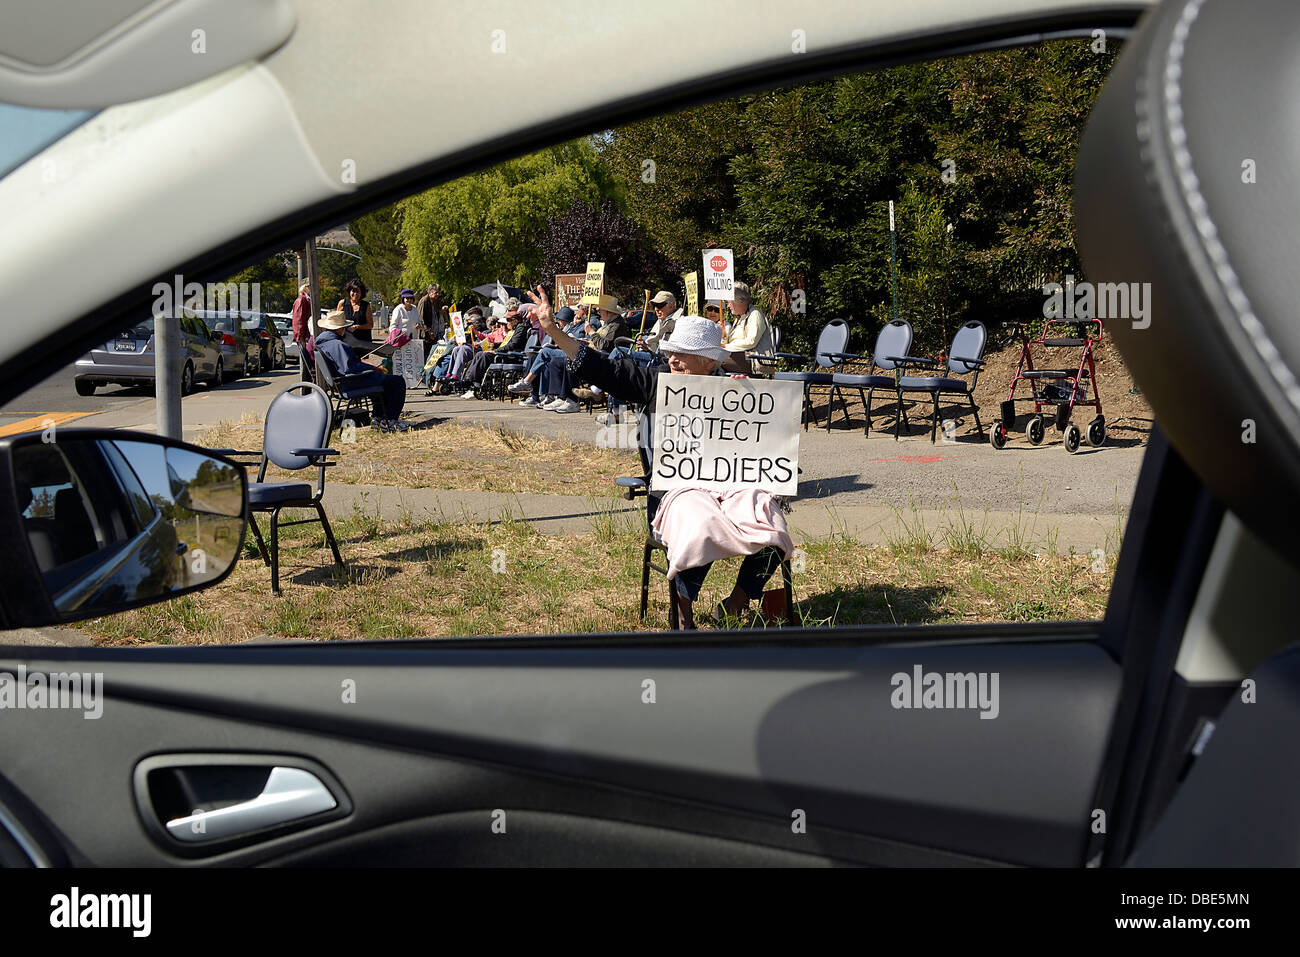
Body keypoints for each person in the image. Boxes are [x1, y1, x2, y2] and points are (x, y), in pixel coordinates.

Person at [529, 285, 791, 628]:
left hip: (730, 487)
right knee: (699, 519)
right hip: (676, 492)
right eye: (671, 352)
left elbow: (766, 444)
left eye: (682, 353)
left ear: (710, 361)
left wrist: (749, 397)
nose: (672, 358)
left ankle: (736, 601)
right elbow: (600, 368)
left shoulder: (735, 388)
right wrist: (552, 329)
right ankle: (682, 610)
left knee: (771, 521)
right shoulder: (655, 382)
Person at [314, 309, 409, 431]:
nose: (346, 329)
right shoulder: (338, 345)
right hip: (350, 382)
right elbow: (350, 368)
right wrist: (373, 368)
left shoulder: (322, 343)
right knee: (397, 381)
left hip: (341, 383)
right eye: (344, 327)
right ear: (339, 329)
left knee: (382, 382)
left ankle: (378, 418)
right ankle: (390, 420)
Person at [722, 281, 774, 376]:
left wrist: (726, 347)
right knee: (710, 357)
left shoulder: (755, 315)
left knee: (714, 360)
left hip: (755, 360)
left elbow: (751, 342)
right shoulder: (739, 318)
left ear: (740, 301)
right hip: (741, 357)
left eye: (729, 302)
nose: (728, 306)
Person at [388, 289, 425, 387]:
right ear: (403, 299)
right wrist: (396, 336)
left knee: (411, 360)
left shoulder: (414, 308)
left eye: (411, 298)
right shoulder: (398, 309)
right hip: (401, 339)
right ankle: (399, 382)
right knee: (401, 362)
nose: (409, 300)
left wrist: (418, 325)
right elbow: (392, 326)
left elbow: (419, 322)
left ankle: (412, 382)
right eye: (407, 298)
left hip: (413, 339)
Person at [337, 278, 374, 344]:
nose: (355, 294)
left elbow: (370, 325)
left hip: (363, 342)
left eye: (358, 291)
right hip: (346, 341)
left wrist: (357, 327)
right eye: (353, 291)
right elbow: (337, 323)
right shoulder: (342, 303)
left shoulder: (366, 305)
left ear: (361, 293)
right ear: (349, 292)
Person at [291, 282, 313, 381]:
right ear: (304, 288)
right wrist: (301, 338)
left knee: (310, 365)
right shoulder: (301, 300)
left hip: (308, 336)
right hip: (304, 338)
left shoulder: (308, 299)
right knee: (307, 367)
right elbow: (298, 320)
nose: (311, 288)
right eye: (309, 286)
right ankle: (305, 392)